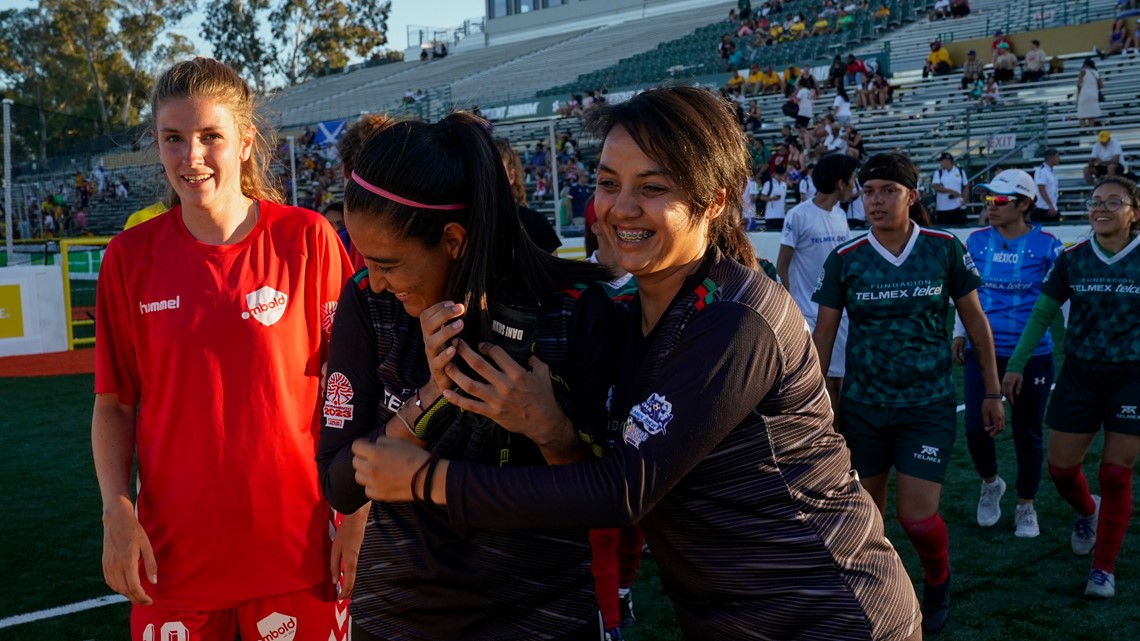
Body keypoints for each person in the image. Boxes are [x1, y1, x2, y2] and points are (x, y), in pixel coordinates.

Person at [347, 85, 923, 641]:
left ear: (713, 199)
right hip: (732, 617)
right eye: (607, 183)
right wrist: (545, 423)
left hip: (826, 612)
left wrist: (425, 479)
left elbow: (621, 490)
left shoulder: (736, 317)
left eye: (651, 188)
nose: (620, 208)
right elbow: (595, 462)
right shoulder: (625, 311)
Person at [314, 112, 616, 641]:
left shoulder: (572, 309)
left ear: (453, 240)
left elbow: (609, 498)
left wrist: (548, 427)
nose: (376, 281)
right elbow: (339, 486)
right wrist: (432, 395)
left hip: (543, 617)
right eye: (367, 261)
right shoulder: (368, 304)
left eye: (388, 264)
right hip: (399, 618)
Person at [92, 57, 352, 640]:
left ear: (245, 141)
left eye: (211, 136)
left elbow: (351, 389)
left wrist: (357, 513)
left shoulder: (307, 240)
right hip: (172, 561)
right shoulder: (128, 259)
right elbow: (114, 404)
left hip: (298, 555)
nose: (192, 157)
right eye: (173, 138)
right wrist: (116, 510)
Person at [812, 152, 1004, 635]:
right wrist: (812, 404)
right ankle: (880, 597)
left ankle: (937, 581)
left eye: (888, 191)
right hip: (863, 407)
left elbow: (975, 321)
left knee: (916, 519)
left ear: (911, 196)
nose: (876, 200)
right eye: (869, 191)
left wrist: (992, 391)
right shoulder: (846, 258)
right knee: (865, 522)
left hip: (927, 405)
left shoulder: (943, 247)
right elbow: (823, 336)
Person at [1001, 177, 1140, 599]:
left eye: (1113, 202)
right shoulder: (1072, 258)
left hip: (1132, 378)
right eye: (1095, 202)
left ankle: (1103, 570)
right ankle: (1087, 510)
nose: (1100, 209)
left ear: (1134, 212)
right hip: (1080, 374)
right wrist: (1016, 365)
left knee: (1115, 472)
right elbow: (1041, 314)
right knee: (1060, 469)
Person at [952, 170, 1063, 538]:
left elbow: (1061, 302)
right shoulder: (975, 241)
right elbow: (965, 294)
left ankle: (1026, 505)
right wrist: (958, 333)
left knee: (1027, 433)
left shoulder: (1048, 245)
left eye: (1000, 200)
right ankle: (991, 483)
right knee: (975, 428)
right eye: (988, 199)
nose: (991, 206)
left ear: (1025, 204)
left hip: (1032, 355)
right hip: (982, 351)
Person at [777, 153, 857, 421]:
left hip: (838, 313)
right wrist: (791, 308)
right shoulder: (798, 215)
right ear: (840, 183)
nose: (855, 186)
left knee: (837, 382)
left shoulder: (841, 215)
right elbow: (782, 264)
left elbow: (846, 263)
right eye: (852, 180)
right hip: (807, 315)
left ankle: (838, 437)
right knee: (811, 384)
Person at [494, 137, 562, 254]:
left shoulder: (536, 224)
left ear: (511, 176)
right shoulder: (468, 227)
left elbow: (554, 264)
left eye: (498, 171)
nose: (490, 177)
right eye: (484, 170)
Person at [931, 152, 969, 226]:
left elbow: (966, 186)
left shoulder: (960, 171)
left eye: (942, 161)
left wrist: (964, 198)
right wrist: (952, 192)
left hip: (958, 207)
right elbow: (936, 186)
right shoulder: (938, 173)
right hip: (942, 208)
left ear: (947, 161)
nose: (940, 163)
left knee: (961, 228)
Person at [1033, 148, 1062, 221]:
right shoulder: (1041, 171)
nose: (1059, 159)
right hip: (1043, 208)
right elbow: (1041, 189)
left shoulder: (1051, 171)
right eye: (1057, 156)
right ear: (1051, 157)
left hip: (1052, 207)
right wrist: (1050, 206)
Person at [759, 164, 788, 230]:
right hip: (771, 216)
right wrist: (772, 198)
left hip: (781, 216)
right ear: (775, 174)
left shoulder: (784, 185)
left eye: (782, 175)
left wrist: (787, 210)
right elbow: (762, 197)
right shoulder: (768, 184)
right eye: (779, 175)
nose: (781, 177)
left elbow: (784, 199)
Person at [1076, 59, 1103, 129]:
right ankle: (1091, 129)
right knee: (1091, 114)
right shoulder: (1097, 73)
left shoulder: (1083, 71)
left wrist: (1078, 93)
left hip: (1084, 93)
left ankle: (1083, 130)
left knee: (1082, 114)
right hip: (1094, 94)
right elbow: (1101, 86)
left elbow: (1078, 84)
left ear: (1085, 65)